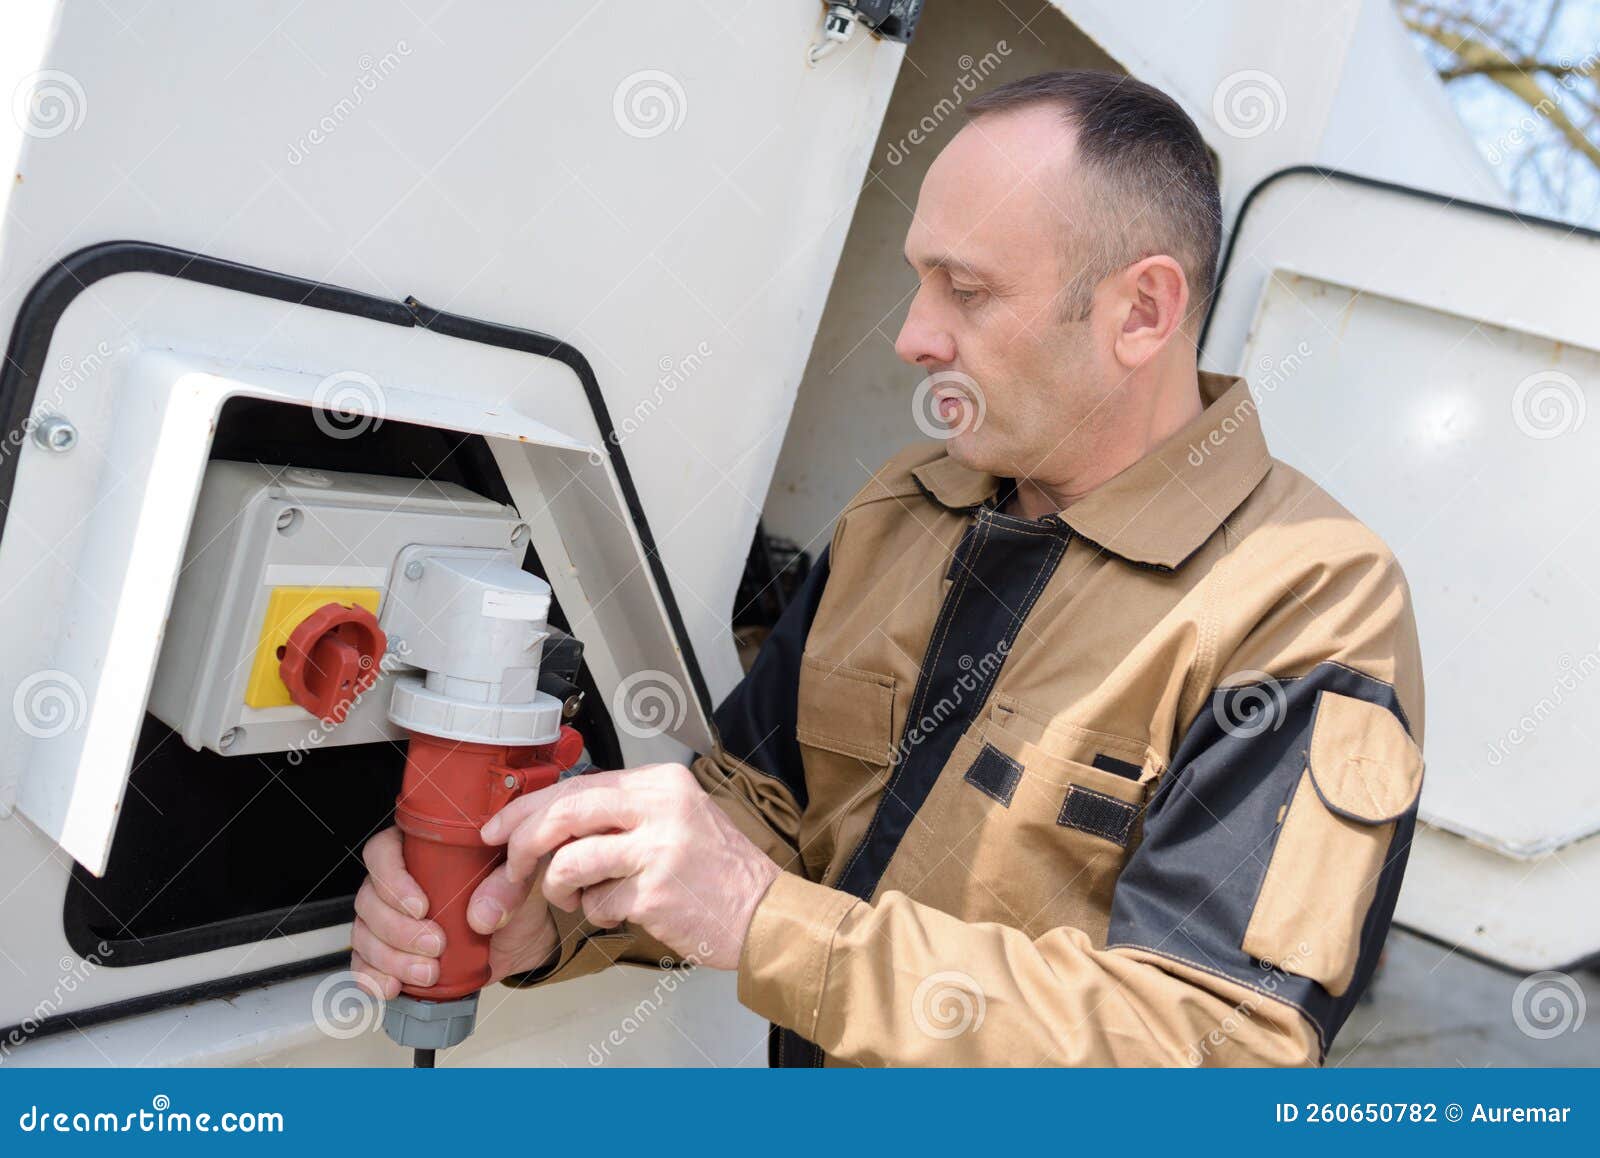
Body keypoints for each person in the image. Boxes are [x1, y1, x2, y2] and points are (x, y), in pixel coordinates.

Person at [351, 69, 1425, 1067]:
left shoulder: (1308, 598)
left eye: (966, 290)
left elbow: (1215, 1049)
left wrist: (771, 926)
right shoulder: (903, 509)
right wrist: (554, 917)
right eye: (922, 281)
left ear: (1139, 312)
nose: (913, 336)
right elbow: (760, 810)